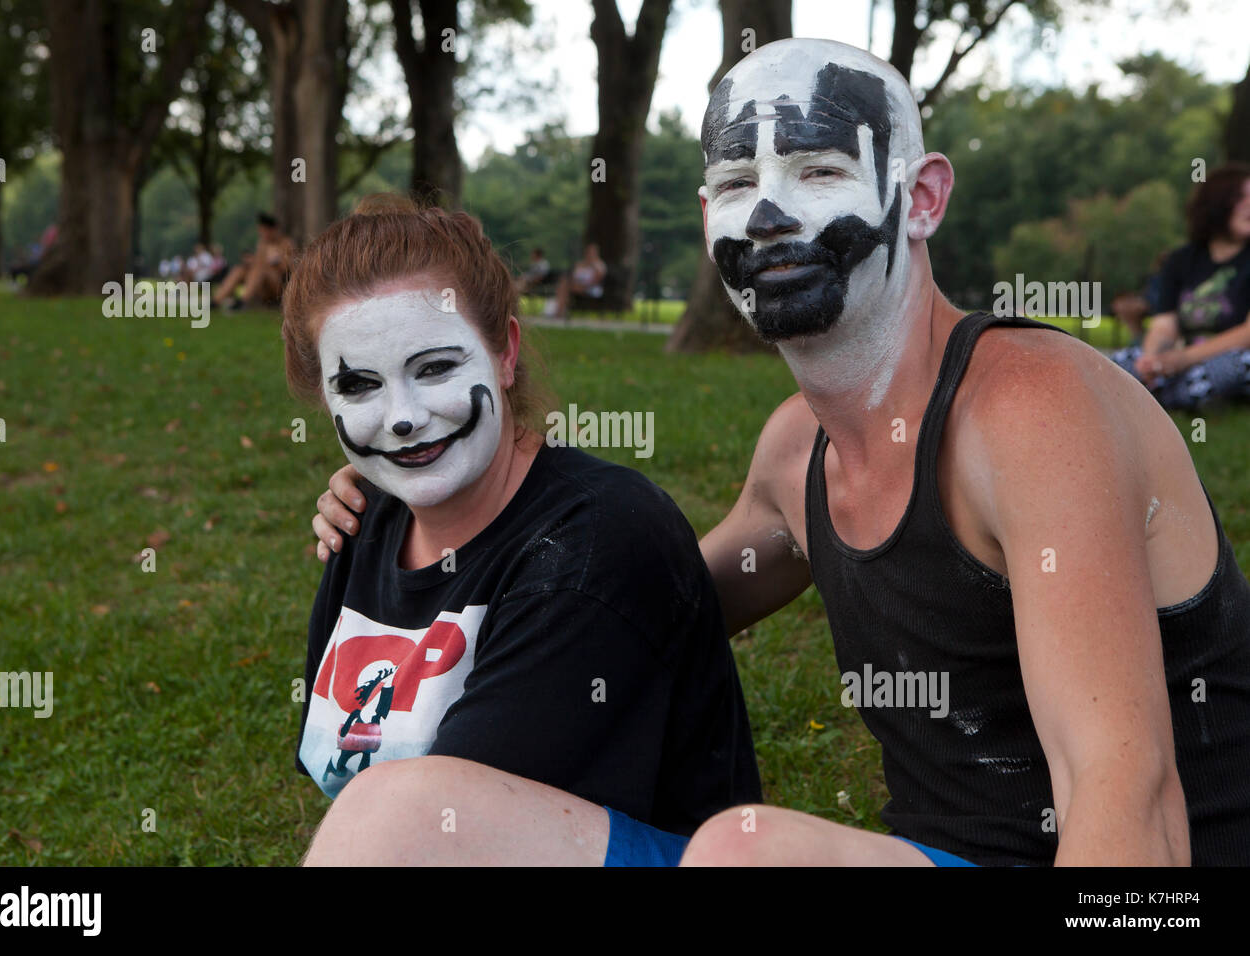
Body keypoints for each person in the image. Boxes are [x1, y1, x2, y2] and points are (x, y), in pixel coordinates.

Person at [314, 38, 1250, 867]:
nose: (766, 214)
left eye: (817, 171)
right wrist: (429, 510)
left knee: (745, 849)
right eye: (733, 185)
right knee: (401, 821)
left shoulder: (1034, 410)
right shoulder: (797, 452)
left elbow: (1131, 802)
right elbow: (638, 604)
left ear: (920, 197)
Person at [283, 192, 760, 866]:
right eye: (360, 386)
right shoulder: (367, 519)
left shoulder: (597, 543)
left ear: (505, 354)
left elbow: (436, 831)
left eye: (436, 368)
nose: (400, 418)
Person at [1107, 163, 1250, 409]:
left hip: (1223, 357)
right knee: (1118, 363)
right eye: (1242, 197)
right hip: (1182, 361)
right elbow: (1164, 325)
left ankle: (1152, 396)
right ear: (1217, 202)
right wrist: (1152, 361)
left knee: (1240, 363)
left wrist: (1181, 360)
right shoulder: (1181, 260)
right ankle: (1163, 390)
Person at [213, 212, 296, 309]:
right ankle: (216, 300)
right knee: (239, 270)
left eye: (264, 231)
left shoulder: (286, 243)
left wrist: (273, 261)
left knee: (260, 269)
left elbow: (288, 269)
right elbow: (258, 263)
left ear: (272, 230)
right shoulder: (262, 244)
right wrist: (252, 260)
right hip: (261, 284)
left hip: (277, 285)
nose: (261, 233)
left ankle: (243, 301)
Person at [549, 242, 606, 318]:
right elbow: (573, 277)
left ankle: (559, 311)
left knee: (565, 287)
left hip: (591, 289)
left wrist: (591, 265)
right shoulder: (580, 263)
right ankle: (559, 310)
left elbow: (597, 280)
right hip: (577, 286)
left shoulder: (599, 265)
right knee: (564, 284)